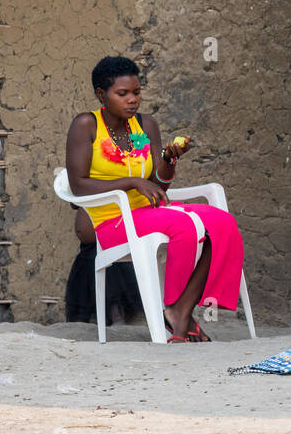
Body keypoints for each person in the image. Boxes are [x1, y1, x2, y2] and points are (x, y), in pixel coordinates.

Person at [64, 56, 245, 342]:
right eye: (122, 94)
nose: (132, 100)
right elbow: (77, 186)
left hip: (149, 212)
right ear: (102, 94)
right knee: (184, 225)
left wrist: (169, 163)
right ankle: (173, 307)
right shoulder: (86, 125)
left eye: (136, 92)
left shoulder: (146, 125)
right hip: (111, 219)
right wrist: (131, 182)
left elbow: (157, 184)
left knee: (222, 223)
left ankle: (180, 311)